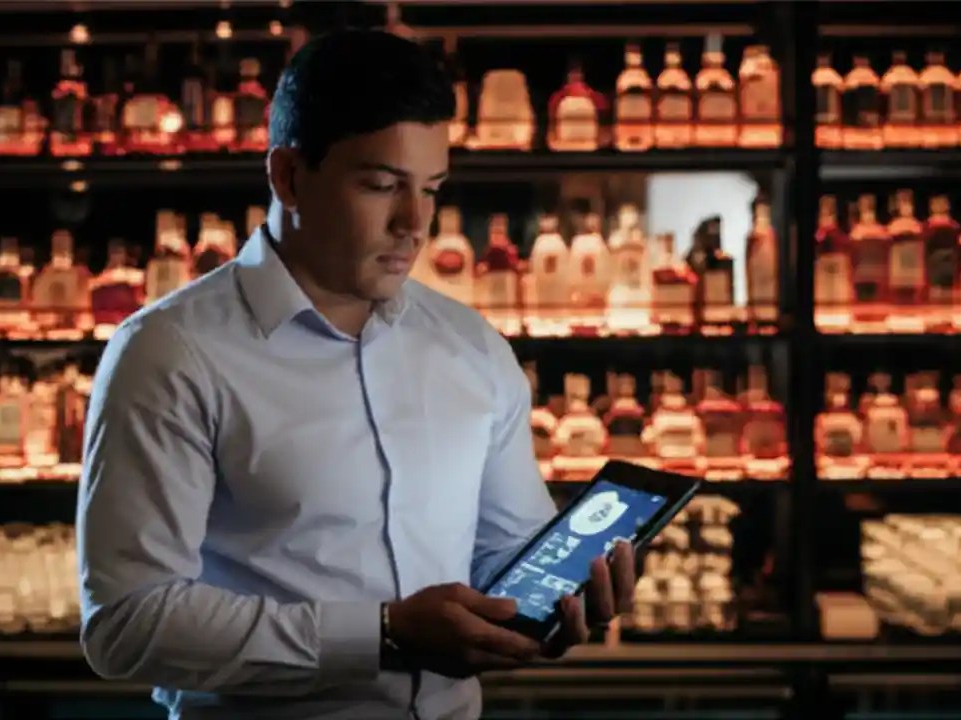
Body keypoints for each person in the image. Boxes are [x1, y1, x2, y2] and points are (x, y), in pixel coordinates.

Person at [76, 28, 636, 720]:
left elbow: (504, 558)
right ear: (286, 176)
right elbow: (128, 624)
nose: (414, 223)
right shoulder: (169, 352)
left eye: (431, 190)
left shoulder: (471, 345)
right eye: (381, 186)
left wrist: (557, 602)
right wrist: (380, 634)